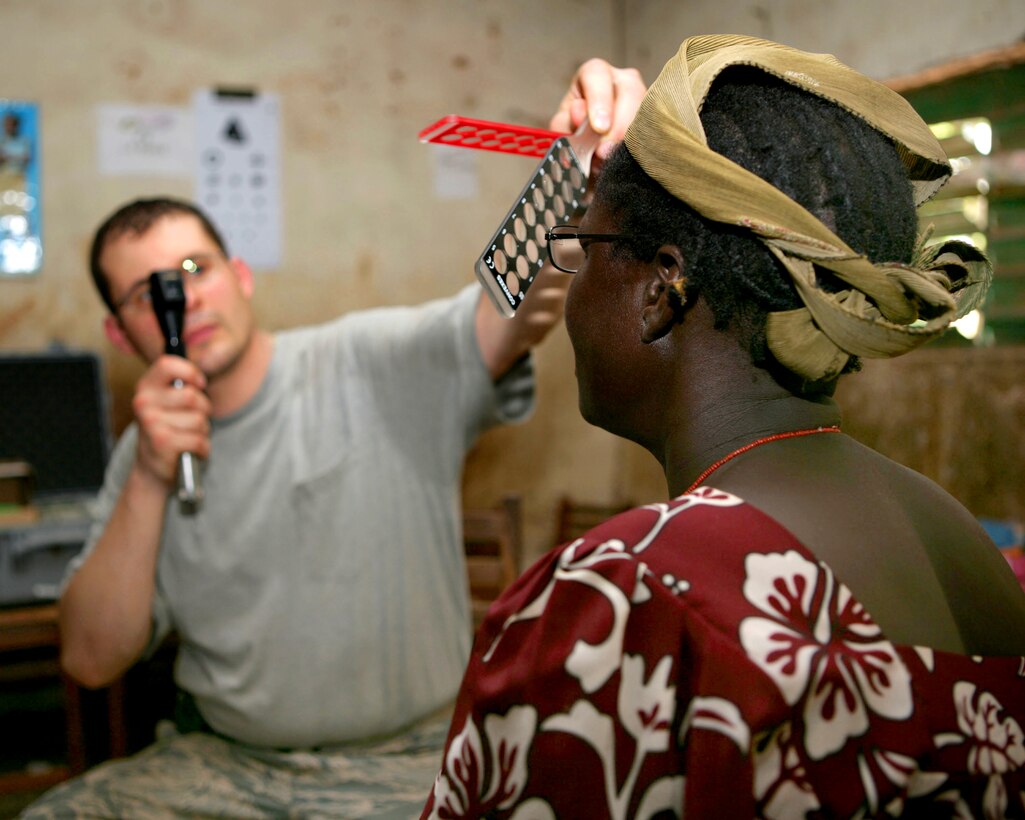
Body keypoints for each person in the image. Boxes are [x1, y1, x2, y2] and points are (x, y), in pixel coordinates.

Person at [20, 61, 645, 819]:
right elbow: (91, 659)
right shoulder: (147, 453)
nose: (183, 298)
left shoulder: (372, 361)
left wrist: (577, 169)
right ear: (121, 332)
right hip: (223, 766)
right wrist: (151, 478)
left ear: (240, 275)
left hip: (407, 760)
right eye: (149, 290)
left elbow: (508, 315)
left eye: (195, 268)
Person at [422, 36, 1025, 819]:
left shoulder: (630, 593)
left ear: (661, 287)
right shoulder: (961, 546)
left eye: (580, 249)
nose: (568, 295)